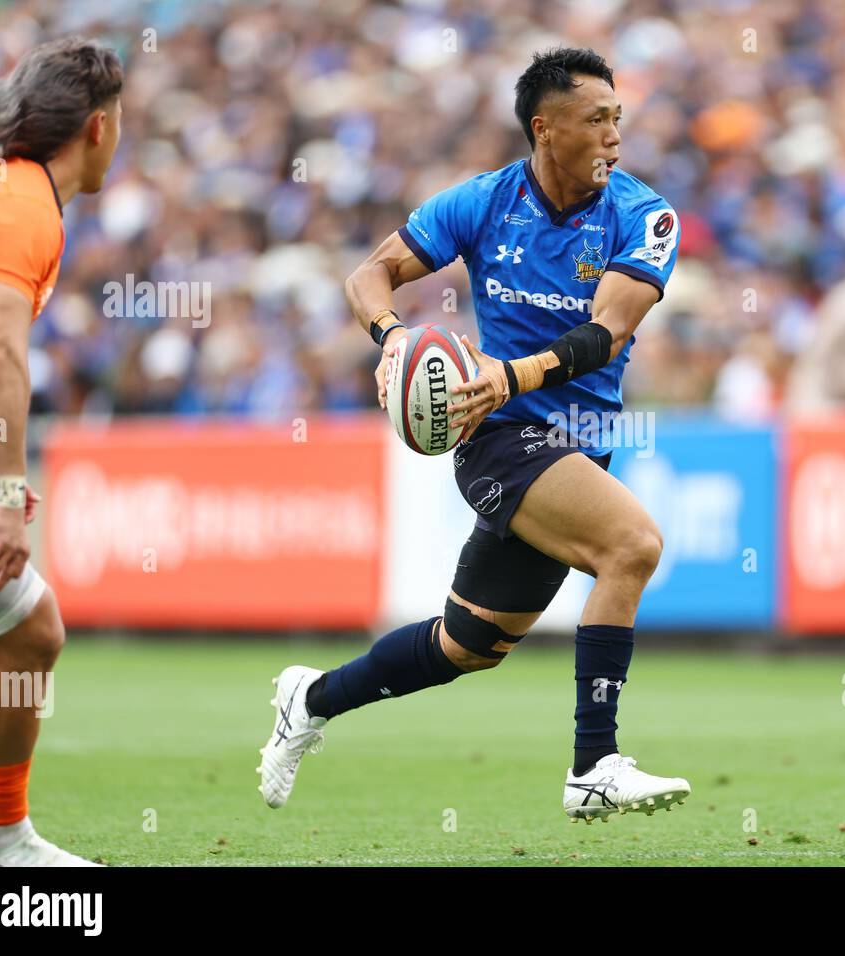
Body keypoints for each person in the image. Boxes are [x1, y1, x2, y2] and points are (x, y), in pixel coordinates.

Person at [259, 47, 689, 822]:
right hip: (496, 437)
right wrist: (392, 337)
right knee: (632, 546)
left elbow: (607, 333)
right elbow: (367, 278)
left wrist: (508, 372)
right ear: (545, 129)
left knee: (467, 646)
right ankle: (595, 763)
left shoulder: (643, 213)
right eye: (597, 121)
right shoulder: (483, 202)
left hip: (571, 438)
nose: (615, 139)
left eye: (618, 120)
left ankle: (310, 697)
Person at [0, 36, 122, 865]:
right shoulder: (23, 205)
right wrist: (11, 496)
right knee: (29, 631)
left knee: (24, 631)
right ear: (97, 127)